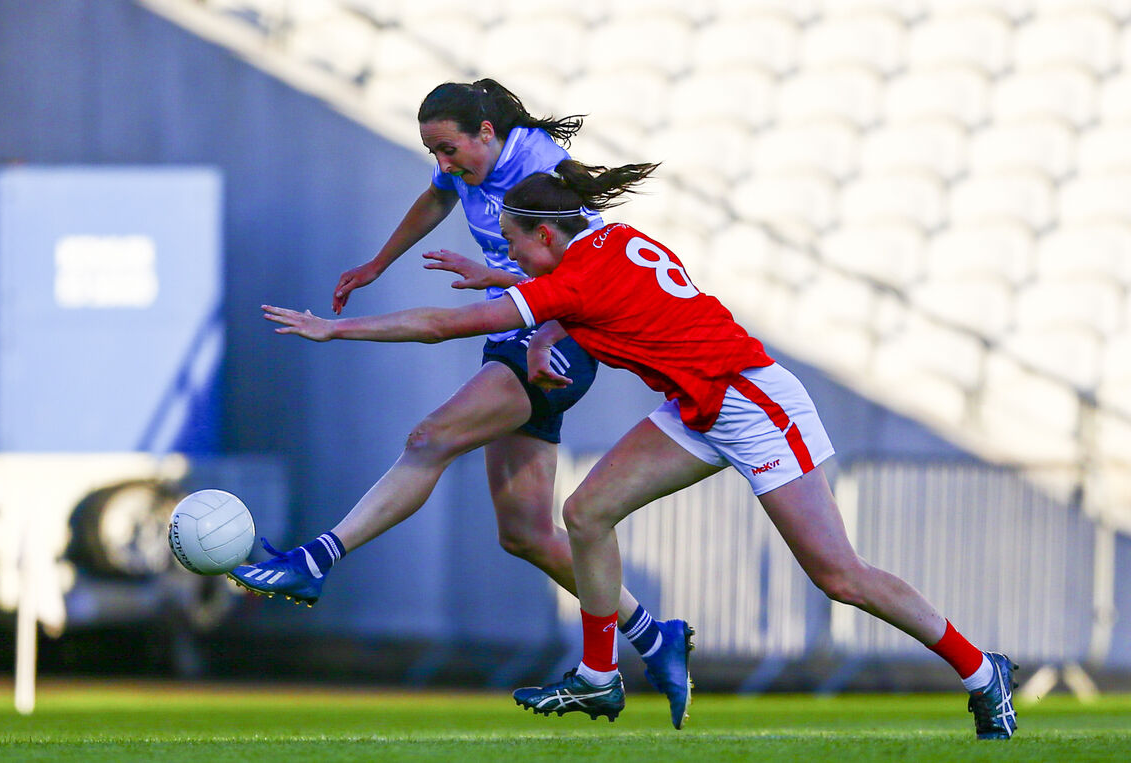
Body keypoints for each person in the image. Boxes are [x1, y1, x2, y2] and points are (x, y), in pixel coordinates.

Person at [256, 158, 1020, 741]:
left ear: (545, 235)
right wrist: (519, 299)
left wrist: (337, 328)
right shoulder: (613, 239)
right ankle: (599, 673)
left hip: (753, 403)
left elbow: (443, 325)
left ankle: (982, 670)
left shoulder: (569, 282)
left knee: (839, 575)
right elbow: (585, 296)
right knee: (586, 512)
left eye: (515, 246)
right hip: (696, 403)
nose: (512, 257)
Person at [229, 79, 695, 730]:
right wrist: (376, 265)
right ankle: (653, 635)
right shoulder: (465, 166)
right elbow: (436, 197)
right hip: (518, 332)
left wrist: (337, 329)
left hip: (553, 338)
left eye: (449, 150)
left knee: (430, 438)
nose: (443, 165)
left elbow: (580, 276)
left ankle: (314, 561)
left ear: (487, 133)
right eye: (433, 152)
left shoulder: (538, 169)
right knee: (525, 534)